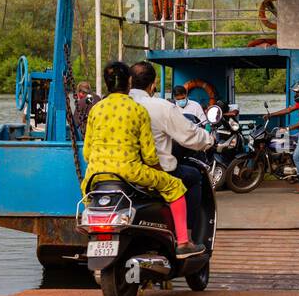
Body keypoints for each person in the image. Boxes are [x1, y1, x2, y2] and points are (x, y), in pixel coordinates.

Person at [80, 61, 193, 253]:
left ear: (107, 83)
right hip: (130, 173)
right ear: (129, 83)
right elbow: (149, 155)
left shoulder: (96, 109)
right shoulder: (137, 110)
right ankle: (183, 242)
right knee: (175, 186)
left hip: (95, 175)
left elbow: (87, 153)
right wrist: (159, 172)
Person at [128, 62, 215, 254]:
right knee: (193, 178)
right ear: (153, 84)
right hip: (152, 171)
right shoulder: (159, 106)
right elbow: (189, 135)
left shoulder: (112, 106)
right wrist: (209, 139)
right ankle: (186, 238)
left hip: (116, 171)